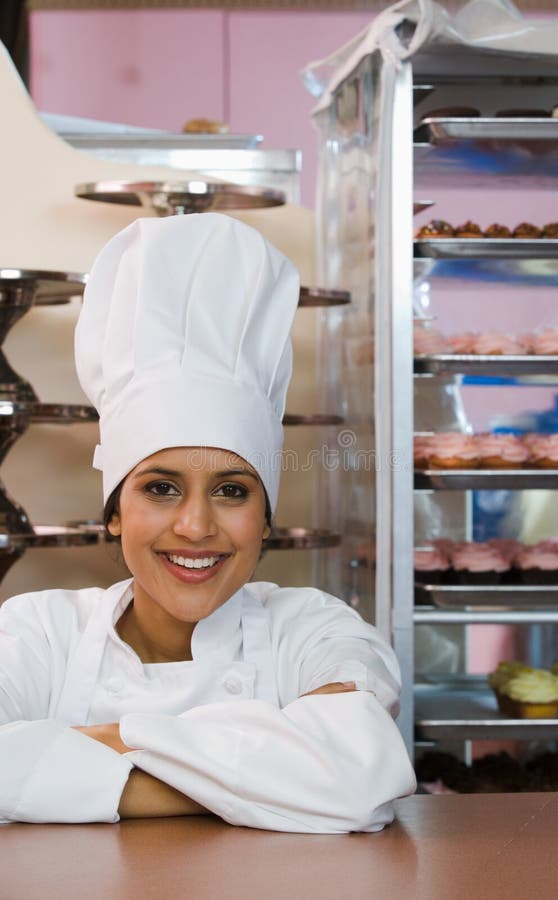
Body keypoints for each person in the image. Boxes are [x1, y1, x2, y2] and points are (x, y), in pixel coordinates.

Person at [0, 213, 415, 832]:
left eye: (231, 490)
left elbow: (363, 774)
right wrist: (271, 778)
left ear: (265, 520)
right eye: (161, 488)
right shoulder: (37, 632)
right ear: (115, 514)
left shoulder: (315, 631)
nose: (195, 526)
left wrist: (94, 746)